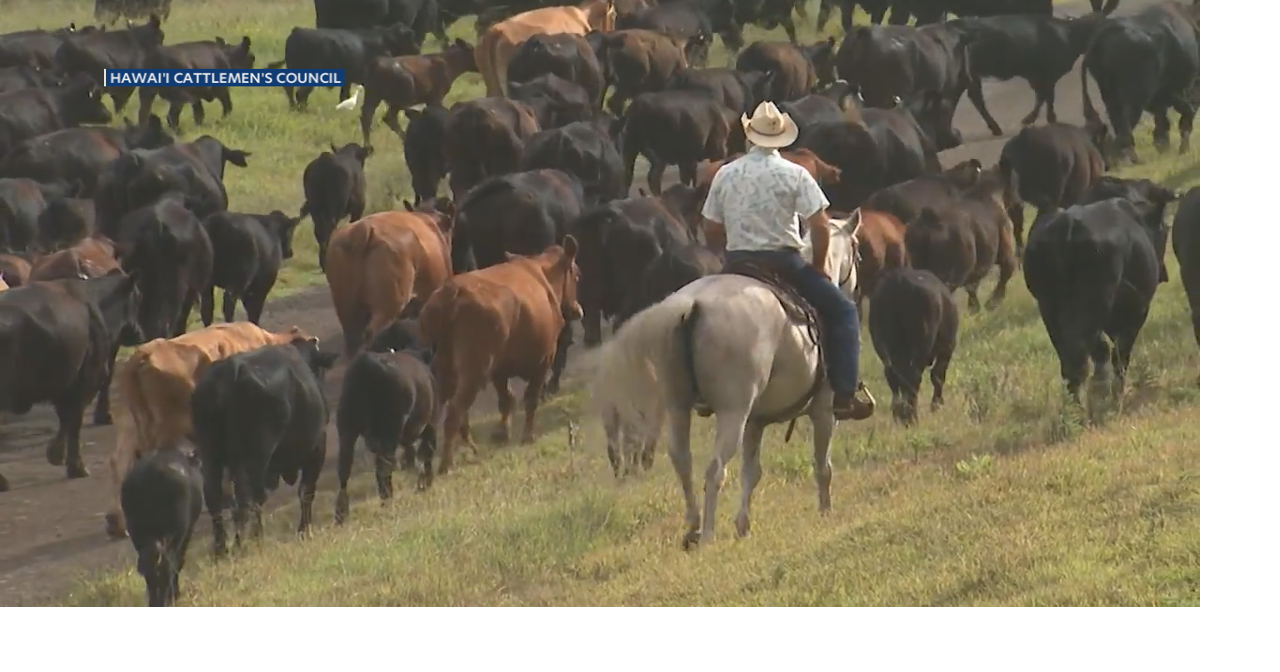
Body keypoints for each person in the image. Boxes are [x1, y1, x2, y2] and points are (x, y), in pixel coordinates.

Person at [699, 101, 874, 421]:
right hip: (784, 264)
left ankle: (702, 390)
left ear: (750, 135)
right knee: (844, 311)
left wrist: (725, 254)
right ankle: (845, 395)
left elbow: (710, 226)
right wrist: (820, 266)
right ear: (781, 138)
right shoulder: (796, 173)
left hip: (738, 264)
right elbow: (820, 225)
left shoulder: (726, 173)